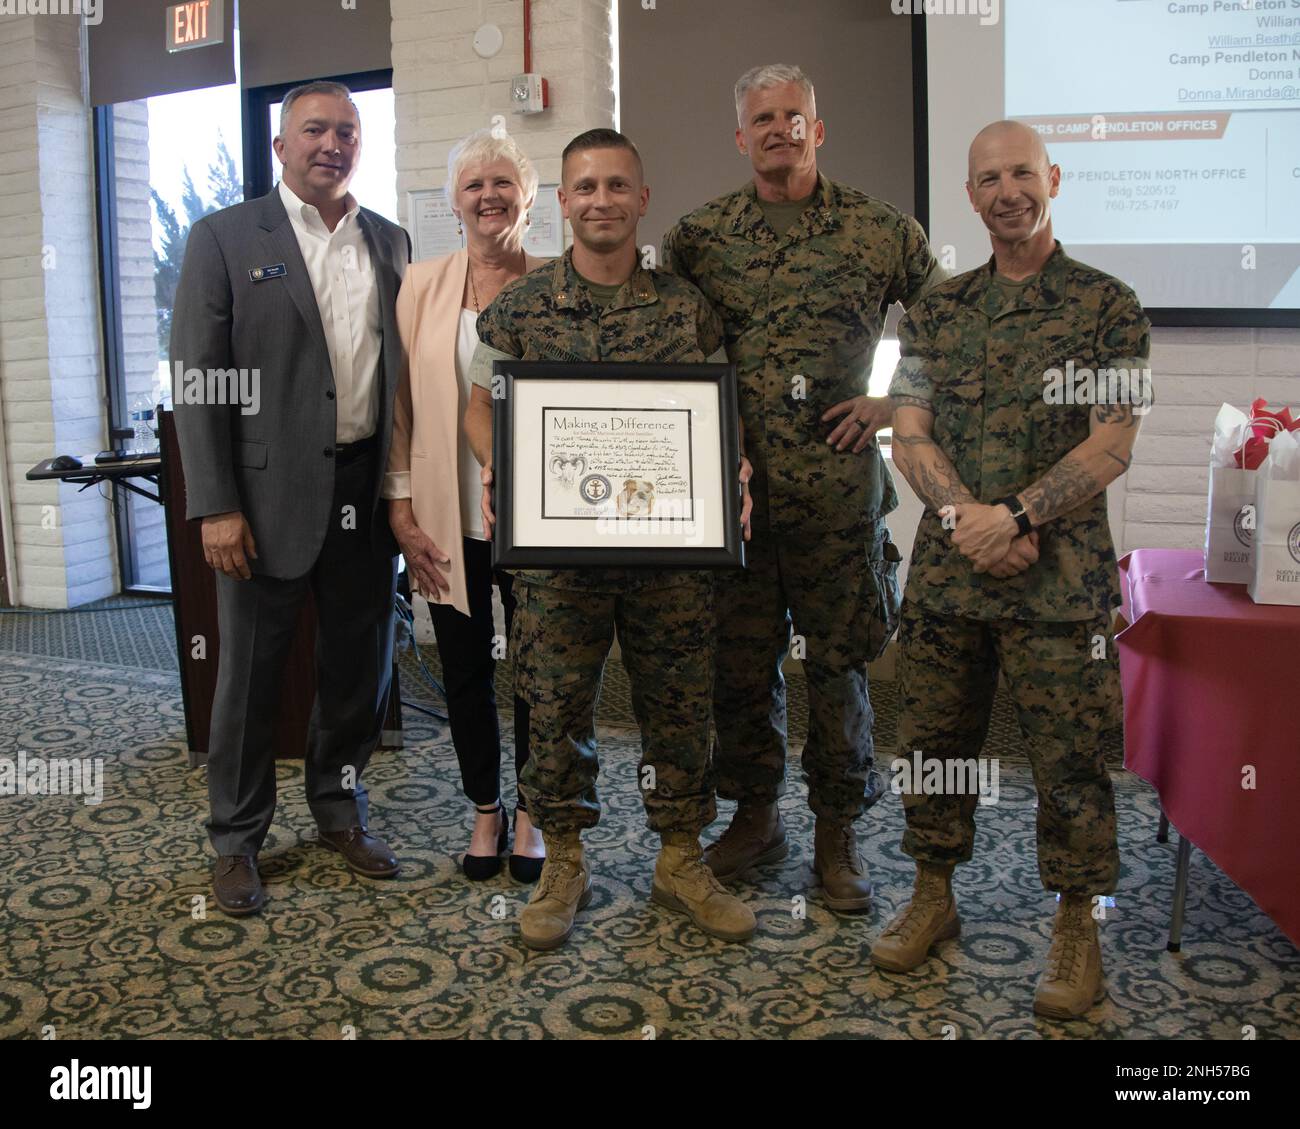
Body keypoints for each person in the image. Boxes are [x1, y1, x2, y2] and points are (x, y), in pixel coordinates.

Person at [871, 119, 1151, 1020]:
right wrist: (965, 519)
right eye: (988, 177)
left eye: (1021, 173)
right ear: (969, 195)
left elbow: (1113, 443)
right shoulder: (937, 312)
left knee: (1069, 763)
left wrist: (1018, 516)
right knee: (932, 748)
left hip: (1058, 583)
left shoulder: (1111, 305)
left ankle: (1076, 924)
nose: (1007, 191)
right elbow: (906, 430)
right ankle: (933, 893)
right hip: (953, 576)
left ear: (1053, 178)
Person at [465, 128, 756, 951]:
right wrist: (503, 468)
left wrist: (731, 473)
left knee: (678, 703)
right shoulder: (519, 309)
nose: (601, 200)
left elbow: (718, 417)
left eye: (617, 186)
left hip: (669, 554)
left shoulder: (685, 307)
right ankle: (564, 861)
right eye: (585, 187)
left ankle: (678, 855)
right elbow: (477, 406)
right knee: (555, 706)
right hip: (558, 561)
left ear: (642, 199)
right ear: (562, 202)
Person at [662, 64, 943, 910]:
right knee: (739, 668)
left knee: (839, 670)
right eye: (762, 118)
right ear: (740, 136)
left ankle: (836, 833)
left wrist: (894, 402)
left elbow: (947, 328)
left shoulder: (879, 230)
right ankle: (757, 816)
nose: (779, 129)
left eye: (794, 116)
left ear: (817, 130)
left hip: (836, 496)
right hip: (736, 499)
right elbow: (672, 349)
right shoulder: (698, 237)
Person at [172, 81, 409, 916]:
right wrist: (216, 503)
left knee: (358, 669)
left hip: (363, 493)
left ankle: (339, 809)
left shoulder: (391, 241)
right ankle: (236, 840)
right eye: (315, 129)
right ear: (281, 146)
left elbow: (401, 381)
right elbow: (198, 382)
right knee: (248, 680)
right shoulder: (226, 238)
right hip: (263, 499)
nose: (332, 144)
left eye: (347, 131)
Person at [384, 129, 547, 882]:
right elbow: (402, 407)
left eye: (504, 182)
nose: (489, 195)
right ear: (454, 201)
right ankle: (485, 807)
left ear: (530, 196)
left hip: (537, 515)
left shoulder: (557, 281)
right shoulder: (420, 285)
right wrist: (400, 509)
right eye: (475, 184)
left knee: (543, 670)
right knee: (462, 666)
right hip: (448, 515)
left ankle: (534, 812)